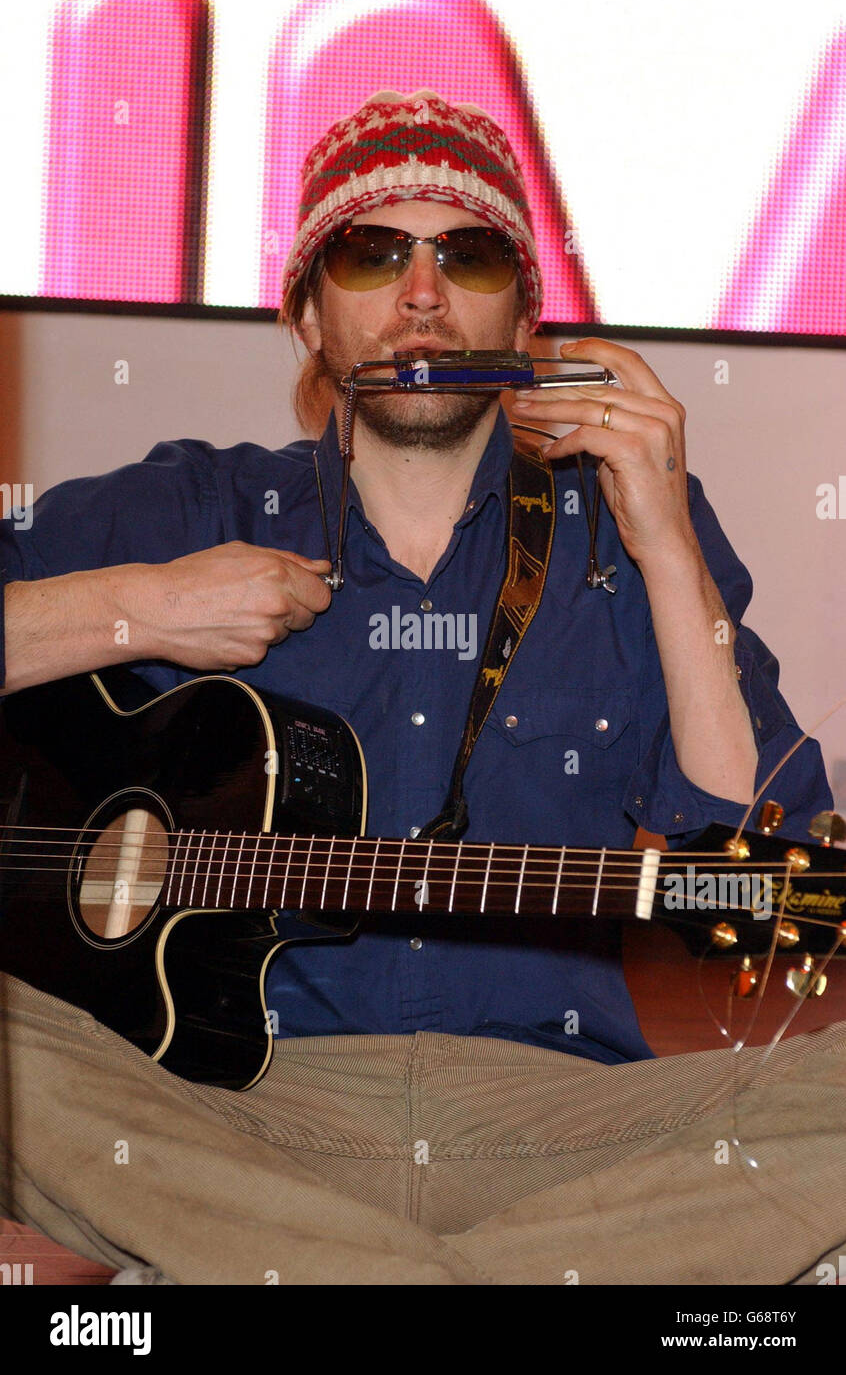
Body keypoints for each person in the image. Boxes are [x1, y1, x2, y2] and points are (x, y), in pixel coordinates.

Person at [0, 90, 842, 1286]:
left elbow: (763, 863)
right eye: (370, 251)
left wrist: (663, 536)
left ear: (523, 312)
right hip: (232, 1114)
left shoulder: (630, 536)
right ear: (307, 314)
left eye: (471, 251)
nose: (423, 292)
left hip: (566, 1126)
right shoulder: (190, 511)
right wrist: (140, 605)